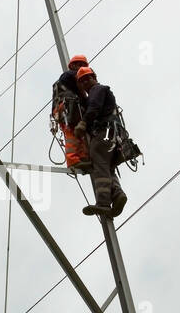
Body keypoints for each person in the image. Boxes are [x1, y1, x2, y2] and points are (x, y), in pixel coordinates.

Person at [74, 66, 127, 218]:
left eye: (87, 78)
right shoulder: (101, 92)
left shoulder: (97, 90)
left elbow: (94, 108)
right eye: (82, 81)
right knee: (106, 167)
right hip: (114, 136)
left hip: (105, 133)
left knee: (99, 160)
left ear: (94, 77)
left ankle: (103, 203)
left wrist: (83, 123)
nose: (86, 82)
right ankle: (118, 195)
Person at [53, 55, 91, 173]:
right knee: (72, 134)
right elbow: (80, 90)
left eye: (84, 65)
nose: (81, 68)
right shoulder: (68, 75)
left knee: (79, 133)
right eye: (79, 65)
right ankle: (73, 160)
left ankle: (83, 158)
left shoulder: (74, 84)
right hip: (64, 108)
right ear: (73, 66)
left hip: (70, 108)